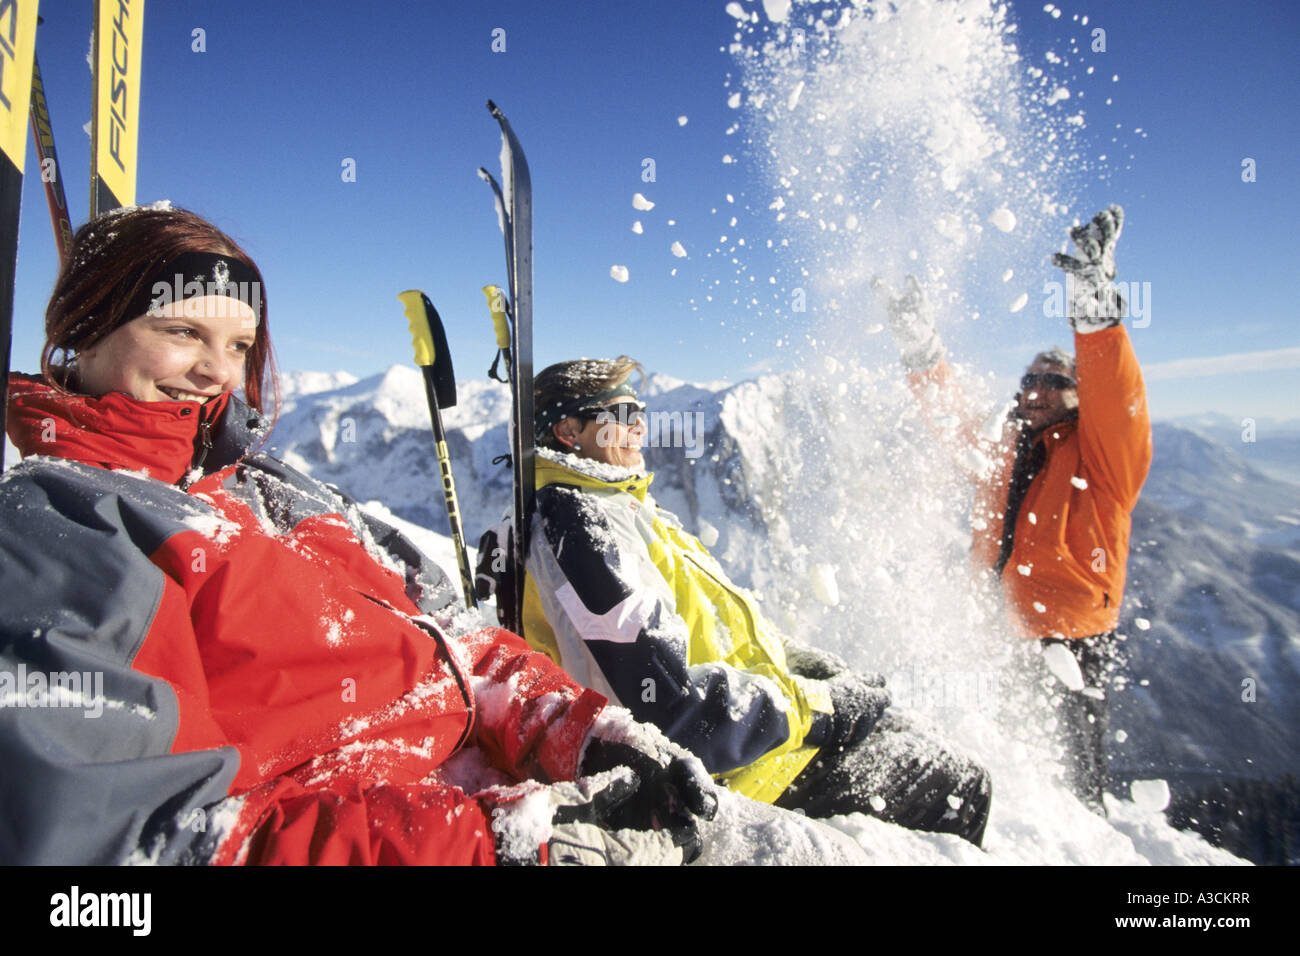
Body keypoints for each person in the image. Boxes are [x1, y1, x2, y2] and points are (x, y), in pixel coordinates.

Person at [0, 204, 716, 866]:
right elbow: (126, 850)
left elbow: (450, 636)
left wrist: (574, 728)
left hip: (495, 801)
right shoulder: (63, 528)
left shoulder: (264, 484)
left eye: (240, 344)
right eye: (182, 332)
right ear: (86, 328)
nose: (217, 370)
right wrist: (490, 846)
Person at [478, 357, 992, 845]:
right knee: (962, 783)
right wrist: (820, 709)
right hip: (726, 773)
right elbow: (669, 708)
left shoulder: (620, 504)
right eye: (625, 414)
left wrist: (799, 664)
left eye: (642, 412)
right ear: (569, 432)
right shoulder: (579, 526)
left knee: (907, 728)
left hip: (751, 731)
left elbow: (712, 624)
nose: (641, 427)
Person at [878, 205, 1153, 812]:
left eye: (1052, 381)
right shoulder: (1008, 447)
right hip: (999, 630)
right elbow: (950, 422)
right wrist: (920, 347)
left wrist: (1093, 302)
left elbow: (1119, 394)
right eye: (1028, 380)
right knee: (1012, 771)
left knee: (1074, 785)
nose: (1033, 391)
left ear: (1079, 397)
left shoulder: (1104, 454)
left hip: (1071, 636)